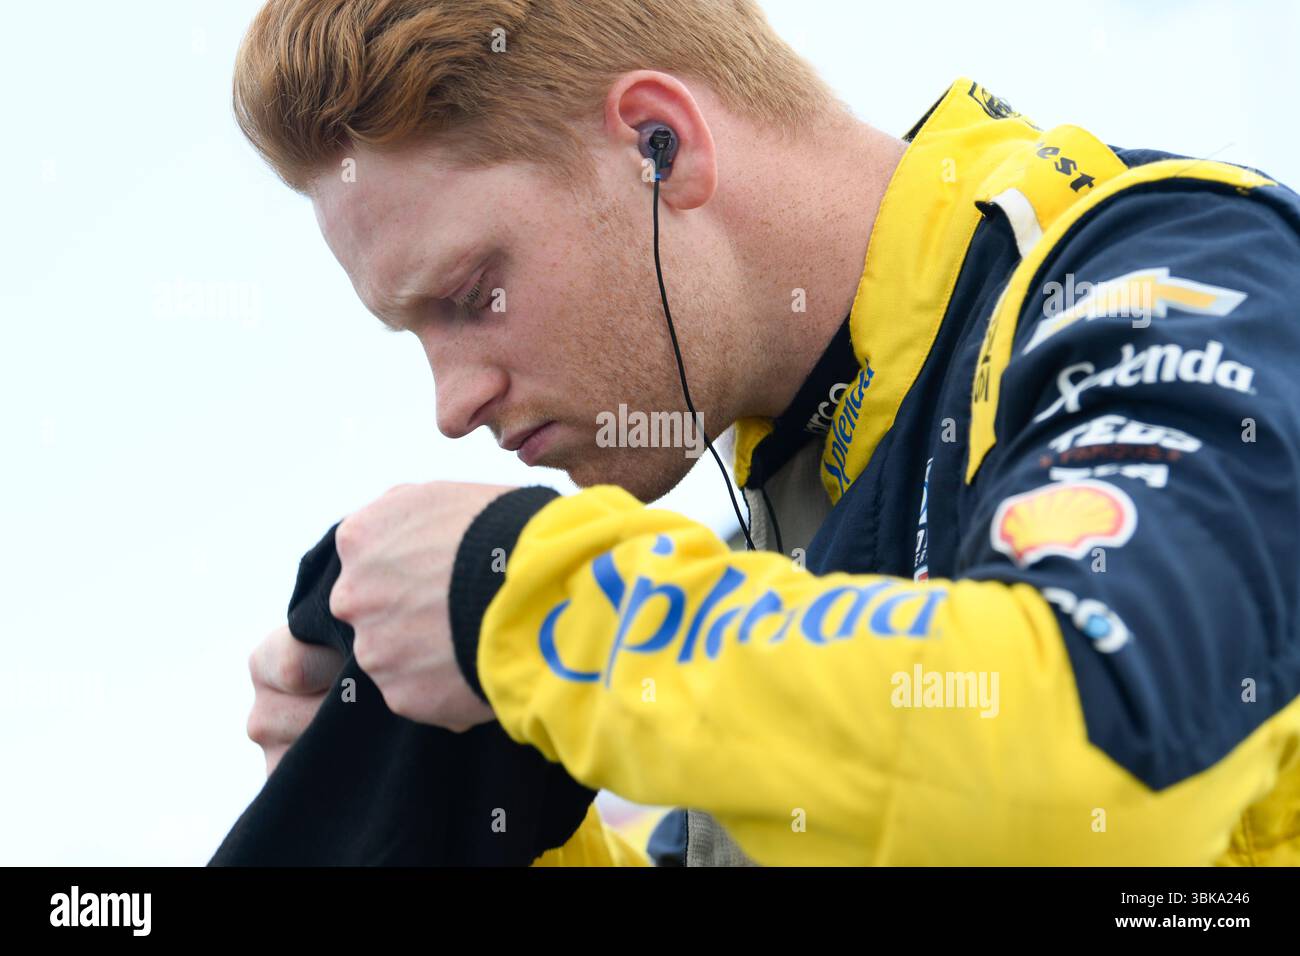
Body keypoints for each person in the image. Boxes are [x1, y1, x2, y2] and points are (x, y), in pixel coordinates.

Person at [236, 0, 1300, 866]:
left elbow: (1102, 757)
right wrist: (455, 795)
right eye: (408, 330)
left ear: (661, 146)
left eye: (473, 295)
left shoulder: (1169, 274)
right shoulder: (767, 586)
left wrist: (518, 599)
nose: (451, 402)